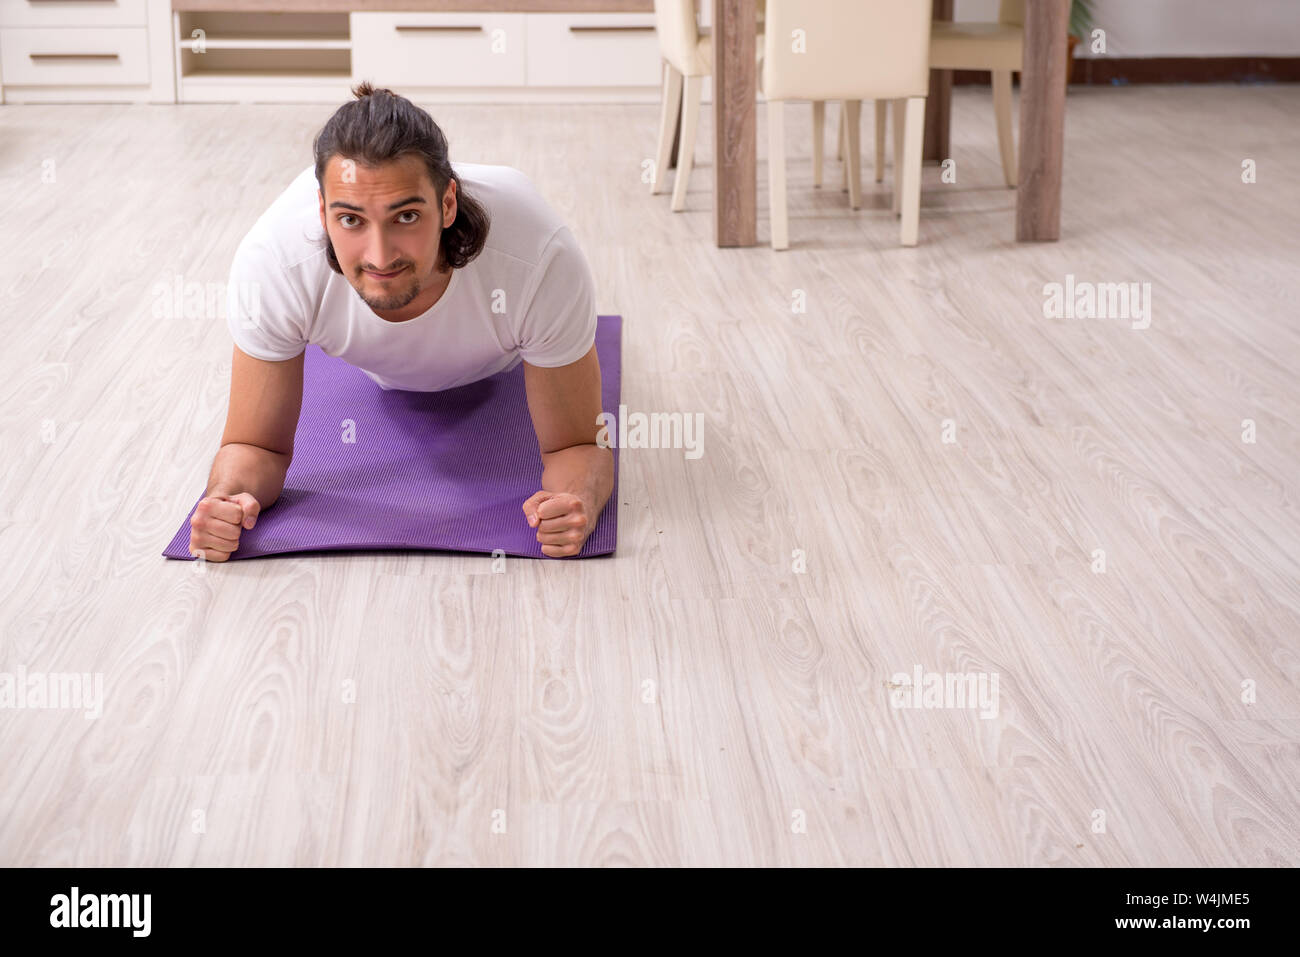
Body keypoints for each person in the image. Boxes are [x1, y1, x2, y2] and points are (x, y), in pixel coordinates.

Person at [190, 82, 612, 561]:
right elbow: (254, 446)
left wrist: (575, 502)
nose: (380, 255)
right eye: (351, 220)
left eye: (406, 216)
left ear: (448, 204)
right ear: (323, 213)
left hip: (500, 365)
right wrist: (226, 501)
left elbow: (578, 445)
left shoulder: (537, 259)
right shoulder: (275, 262)